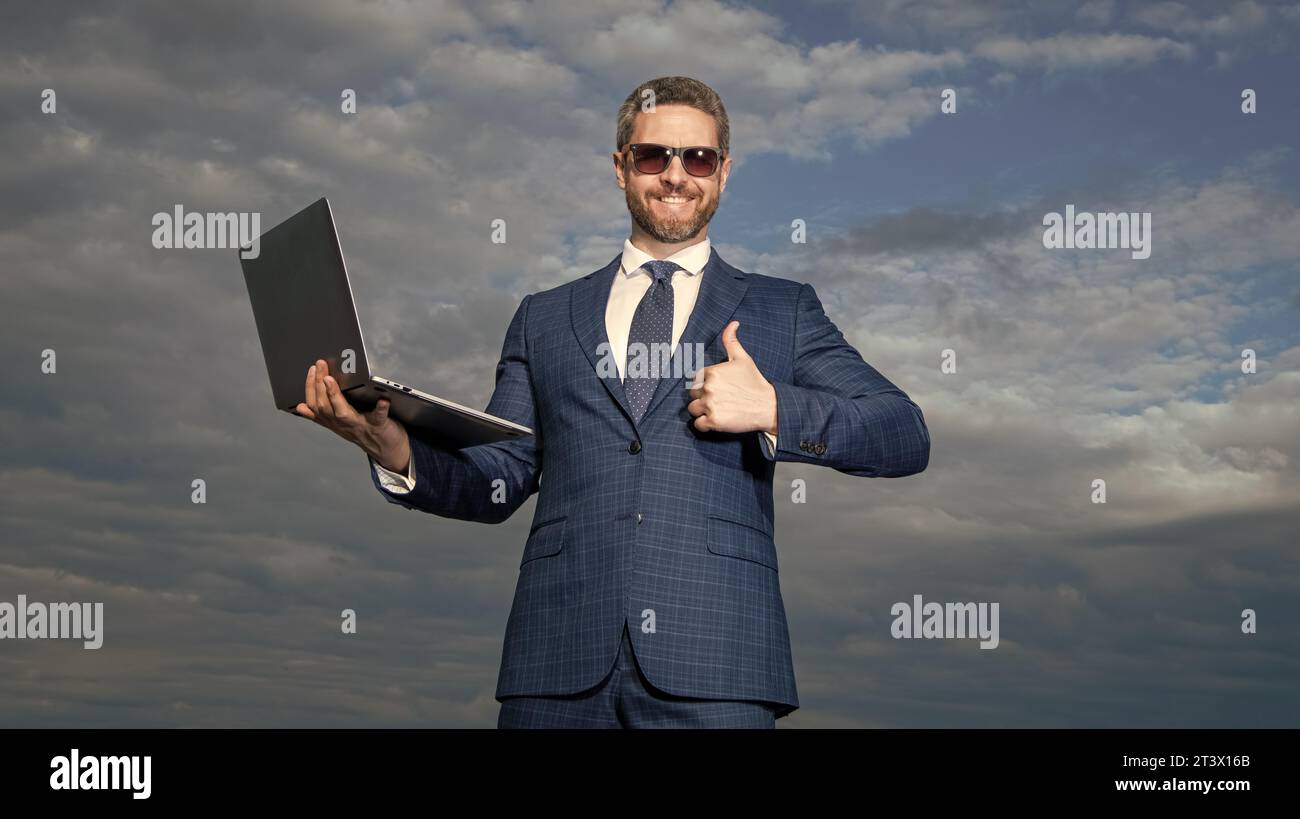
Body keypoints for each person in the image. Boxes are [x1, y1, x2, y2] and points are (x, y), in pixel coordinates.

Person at [293, 76, 930, 728]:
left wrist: (774, 408)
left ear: (724, 172)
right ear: (622, 166)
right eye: (655, 156)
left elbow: (904, 432)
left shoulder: (783, 309)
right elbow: (499, 480)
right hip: (556, 665)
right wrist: (394, 447)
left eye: (699, 158)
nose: (677, 176)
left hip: (717, 666)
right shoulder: (542, 318)